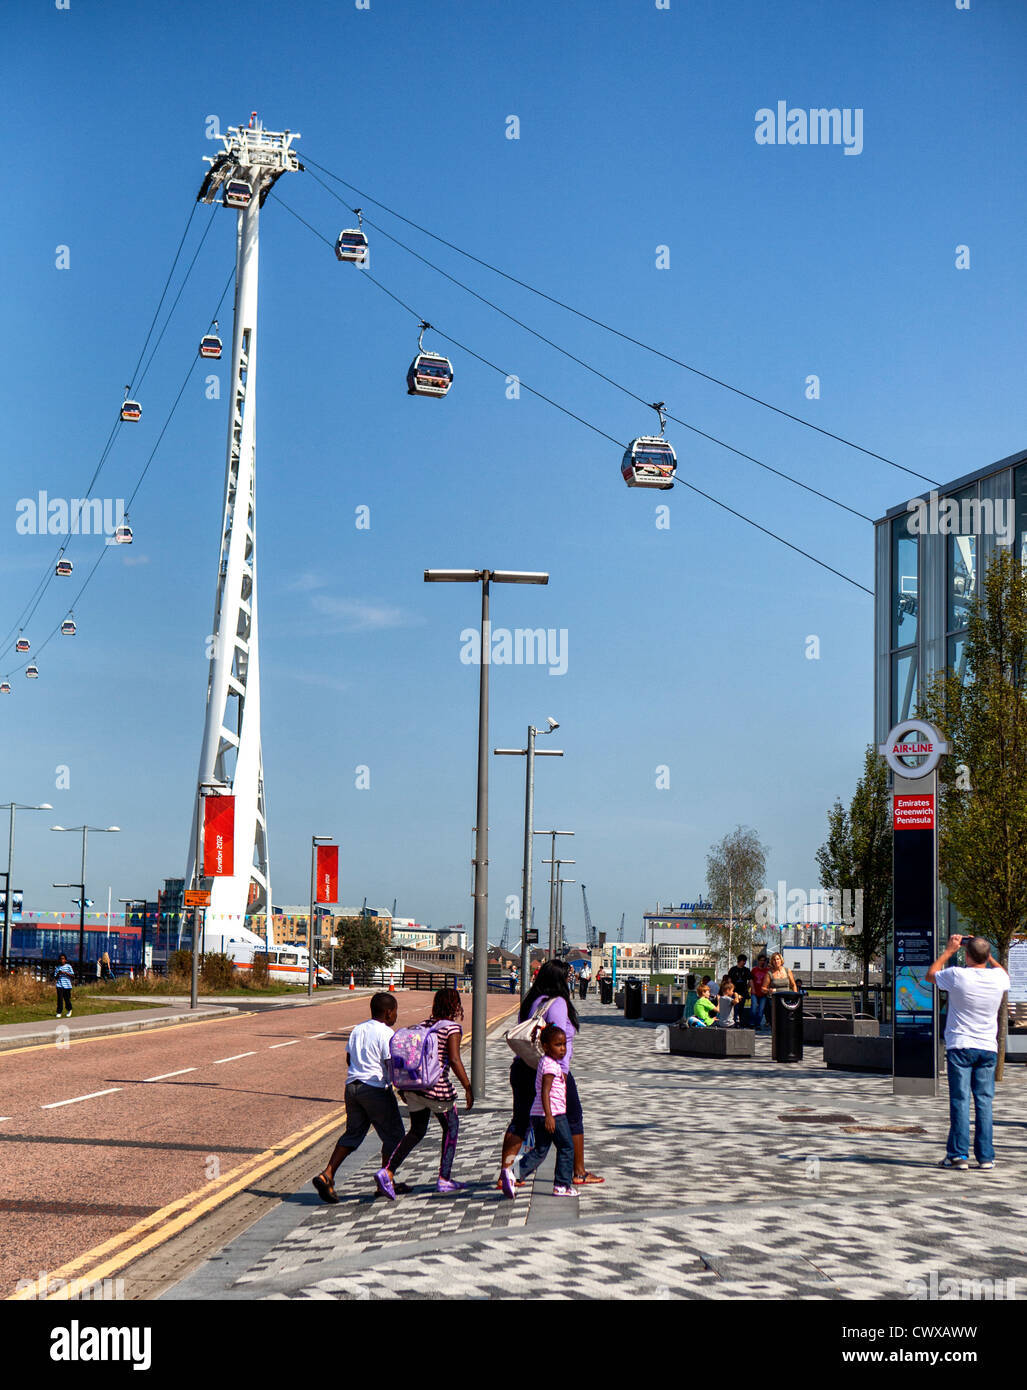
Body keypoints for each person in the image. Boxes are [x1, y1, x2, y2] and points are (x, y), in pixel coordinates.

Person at [497, 958, 603, 1194]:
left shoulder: (531, 1001)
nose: (570, 979)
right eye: (567, 976)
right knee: (573, 1117)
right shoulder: (558, 1003)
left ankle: (506, 1174)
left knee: (520, 1120)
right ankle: (578, 1172)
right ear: (559, 980)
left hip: (523, 1066)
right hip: (551, 1070)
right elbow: (557, 1039)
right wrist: (562, 1072)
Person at [375, 987, 472, 1198]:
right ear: (455, 1006)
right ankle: (444, 1179)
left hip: (414, 1087)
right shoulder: (451, 1028)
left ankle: (387, 1171)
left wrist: (402, 1087)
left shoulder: (423, 1025)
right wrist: (467, 1087)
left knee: (416, 1131)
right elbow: (454, 1059)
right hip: (437, 1089)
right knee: (451, 1128)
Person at [313, 992, 406, 1204]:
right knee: (395, 1136)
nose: (396, 1015)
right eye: (395, 1012)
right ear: (388, 1012)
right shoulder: (386, 1033)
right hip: (375, 1088)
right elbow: (390, 1063)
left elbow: (349, 1058)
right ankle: (385, 1181)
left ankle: (327, 1174)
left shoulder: (358, 1029)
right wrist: (400, 1088)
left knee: (353, 1134)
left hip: (352, 1087)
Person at [927, 935, 1010, 1171]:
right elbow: (1003, 972)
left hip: (961, 1045)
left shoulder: (957, 975)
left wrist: (949, 951)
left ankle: (958, 1155)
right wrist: (987, 955)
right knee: (984, 1102)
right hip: (987, 1048)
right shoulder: (998, 978)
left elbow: (931, 975)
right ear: (987, 955)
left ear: (967, 955)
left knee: (960, 1100)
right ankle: (986, 1157)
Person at [513, 1025, 576, 1197]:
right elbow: (545, 1091)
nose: (562, 1049)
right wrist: (549, 1116)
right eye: (558, 1045)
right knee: (566, 1147)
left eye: (564, 1044)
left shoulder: (545, 1062)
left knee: (540, 1149)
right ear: (546, 1046)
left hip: (538, 1113)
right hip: (553, 1114)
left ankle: (514, 1174)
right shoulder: (550, 1066)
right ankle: (562, 1185)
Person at [728, 955, 752, 1025]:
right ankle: (734, 1021)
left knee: (741, 1007)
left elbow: (750, 980)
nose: (744, 962)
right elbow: (729, 980)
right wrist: (730, 990)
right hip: (734, 991)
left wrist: (747, 988)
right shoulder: (733, 969)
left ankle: (741, 1021)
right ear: (739, 961)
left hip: (743, 992)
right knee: (735, 1007)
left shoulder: (746, 970)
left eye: (745, 961)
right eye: (743, 961)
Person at [750, 954, 771, 1031]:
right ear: (758, 961)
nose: (762, 962)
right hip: (754, 992)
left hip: (763, 993)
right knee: (754, 1008)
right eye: (761, 960)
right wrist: (752, 989)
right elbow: (751, 980)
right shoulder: (754, 970)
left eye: (763, 961)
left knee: (761, 1010)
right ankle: (752, 1023)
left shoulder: (767, 971)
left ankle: (758, 1024)